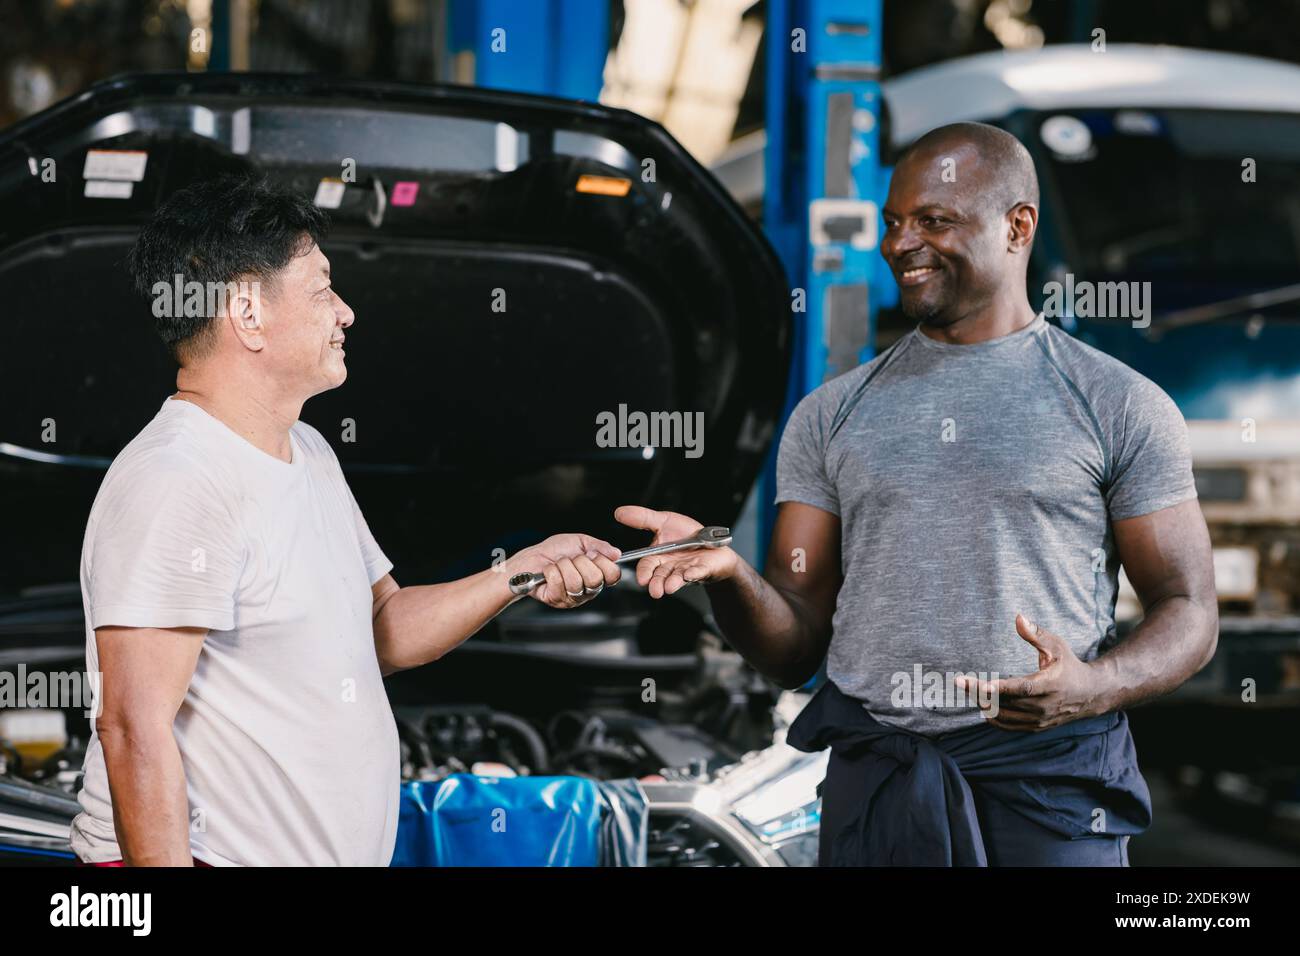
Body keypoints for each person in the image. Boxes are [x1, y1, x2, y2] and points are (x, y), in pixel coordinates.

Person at [615, 122, 1218, 866]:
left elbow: (1189, 610)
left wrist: (1091, 686)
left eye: (935, 220)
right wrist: (731, 576)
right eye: (894, 222)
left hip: (1045, 790)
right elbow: (796, 645)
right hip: (880, 789)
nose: (901, 244)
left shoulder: (1117, 403)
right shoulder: (832, 413)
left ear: (1017, 227)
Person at [71, 175, 622, 866]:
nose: (347, 312)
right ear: (247, 312)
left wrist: (519, 572)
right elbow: (131, 727)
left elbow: (382, 628)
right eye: (322, 288)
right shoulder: (178, 479)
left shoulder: (307, 451)